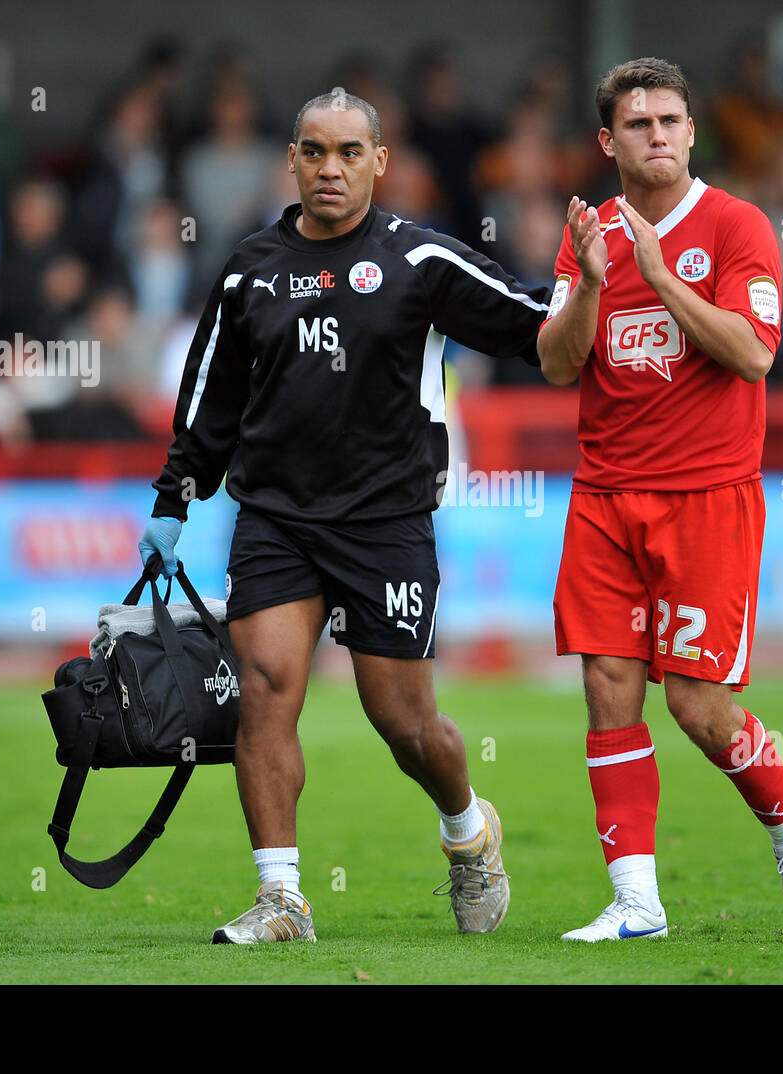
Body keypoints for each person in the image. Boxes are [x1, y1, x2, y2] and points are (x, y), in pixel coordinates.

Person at [139, 90, 552, 943]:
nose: (331, 169)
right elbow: (209, 398)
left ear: (380, 162)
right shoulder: (248, 267)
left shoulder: (422, 260)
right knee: (264, 692)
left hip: (386, 523)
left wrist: (604, 277)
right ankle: (282, 899)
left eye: (350, 153)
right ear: (291, 160)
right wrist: (173, 499)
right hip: (276, 520)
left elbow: (533, 321)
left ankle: (468, 830)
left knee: (403, 723)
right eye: (316, 152)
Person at [537, 58, 783, 941]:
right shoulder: (584, 234)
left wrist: (663, 278)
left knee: (700, 708)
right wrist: (591, 280)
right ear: (608, 140)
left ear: (692, 131)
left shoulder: (739, 226)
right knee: (608, 689)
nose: (657, 136)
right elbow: (557, 364)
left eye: (670, 121)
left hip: (708, 498)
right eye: (638, 124)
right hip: (604, 497)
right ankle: (637, 903)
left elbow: (754, 353)